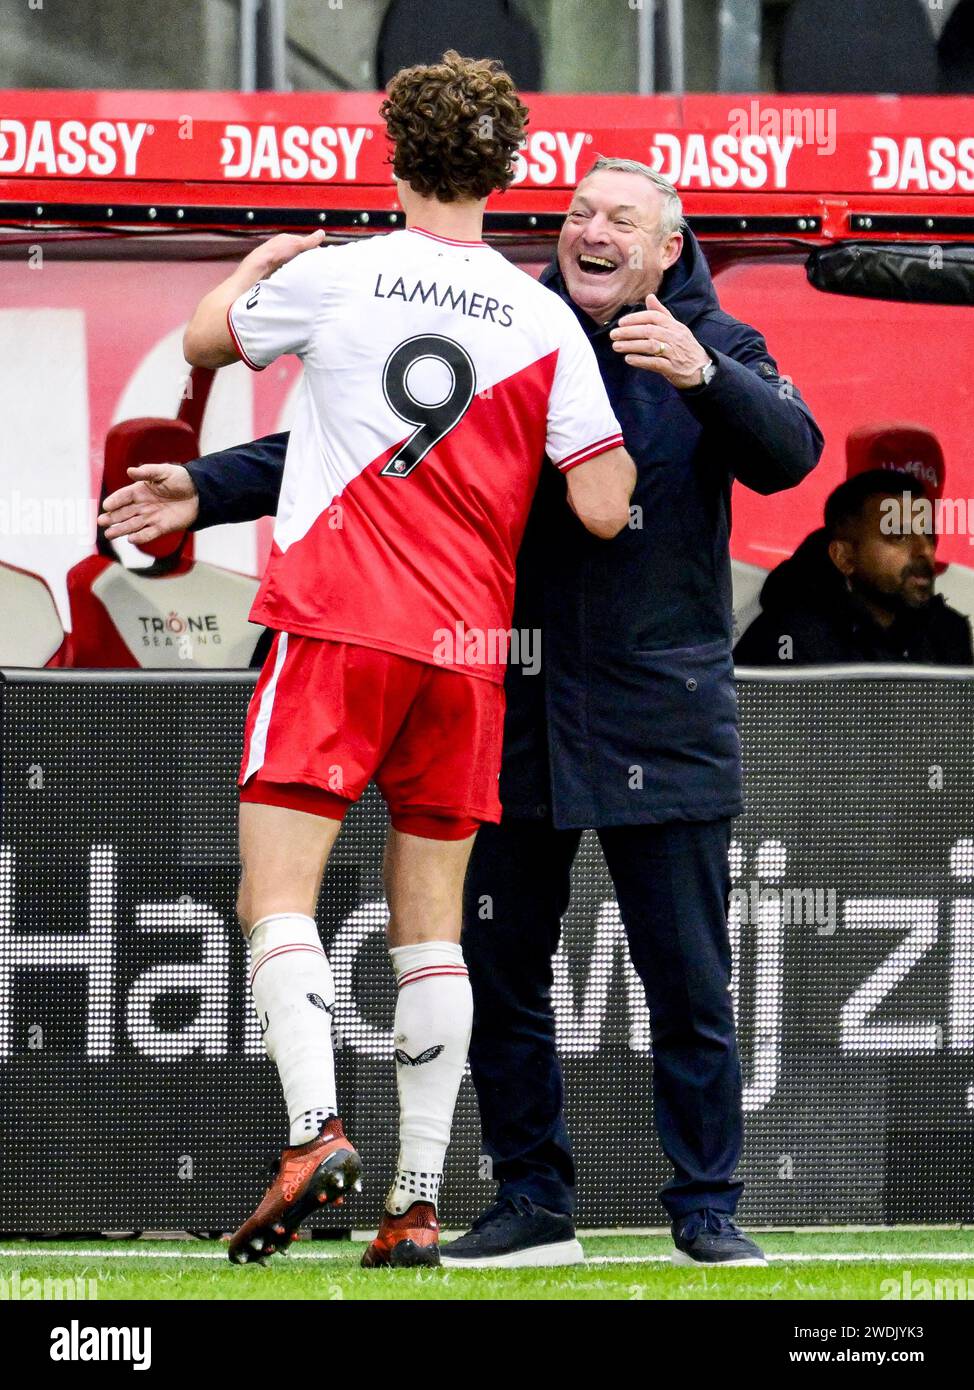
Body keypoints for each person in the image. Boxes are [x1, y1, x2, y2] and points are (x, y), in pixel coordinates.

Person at [102, 159, 822, 1268]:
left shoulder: (715, 346)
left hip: (660, 713)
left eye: (618, 220)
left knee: (686, 978)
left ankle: (705, 1208)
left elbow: (791, 452)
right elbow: (382, 451)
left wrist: (702, 374)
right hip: (515, 694)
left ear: (666, 249)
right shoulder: (522, 323)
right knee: (498, 968)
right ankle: (532, 1200)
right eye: (577, 212)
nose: (588, 231)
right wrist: (212, 483)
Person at [176, 51, 634, 1269]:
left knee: (276, 898)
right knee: (430, 932)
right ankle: (419, 1201)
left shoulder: (337, 275)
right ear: (506, 169)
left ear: (392, 155)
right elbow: (601, 502)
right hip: (463, 652)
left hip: (332, 625)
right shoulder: (546, 319)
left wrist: (250, 273)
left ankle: (315, 1131)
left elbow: (206, 341)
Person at [734, 469, 973, 665]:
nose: (925, 551)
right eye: (899, 535)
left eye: (928, 535)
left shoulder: (948, 633)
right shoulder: (789, 640)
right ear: (844, 558)